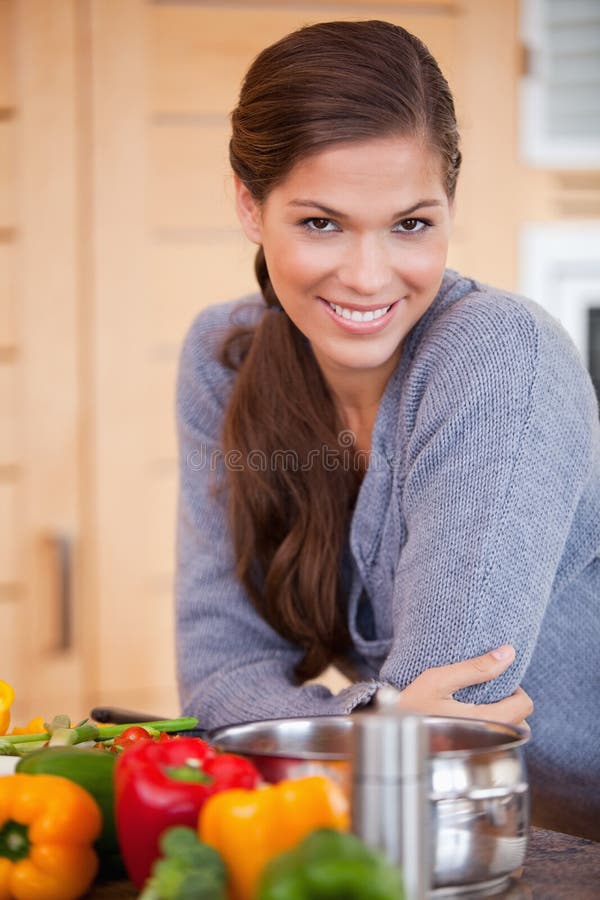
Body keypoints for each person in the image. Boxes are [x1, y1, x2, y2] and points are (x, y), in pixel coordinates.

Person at [175, 20, 600, 839]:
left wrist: (354, 726)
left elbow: (457, 718)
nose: (370, 278)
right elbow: (218, 674)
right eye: (320, 223)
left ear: (450, 205)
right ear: (248, 204)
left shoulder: (498, 355)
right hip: (457, 842)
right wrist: (383, 722)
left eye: (411, 224)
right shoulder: (223, 361)